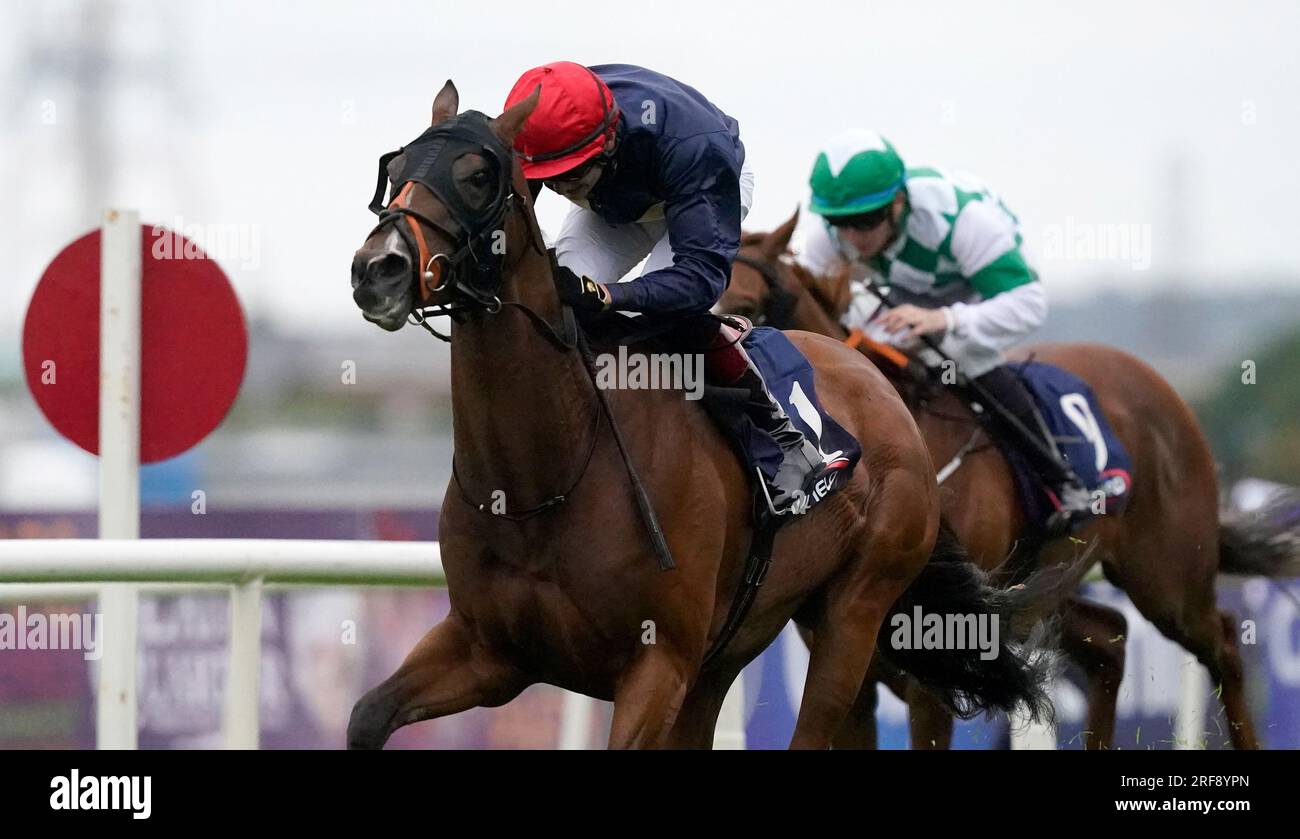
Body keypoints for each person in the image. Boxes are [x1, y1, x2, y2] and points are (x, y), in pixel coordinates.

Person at [504, 61, 834, 513]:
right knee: (555, 303)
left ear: (609, 139)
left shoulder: (697, 148)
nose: (559, 189)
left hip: (696, 188)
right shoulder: (538, 132)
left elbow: (698, 281)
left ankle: (784, 439)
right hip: (617, 197)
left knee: (663, 315)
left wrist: (610, 295)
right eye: (549, 178)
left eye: (571, 176)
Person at [798, 128, 1091, 526]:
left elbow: (1028, 304)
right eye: (838, 221)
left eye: (864, 221)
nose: (851, 235)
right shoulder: (831, 236)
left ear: (897, 202)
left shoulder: (964, 221)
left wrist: (944, 319)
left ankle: (1061, 480)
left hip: (975, 291)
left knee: (964, 355)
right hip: (899, 293)